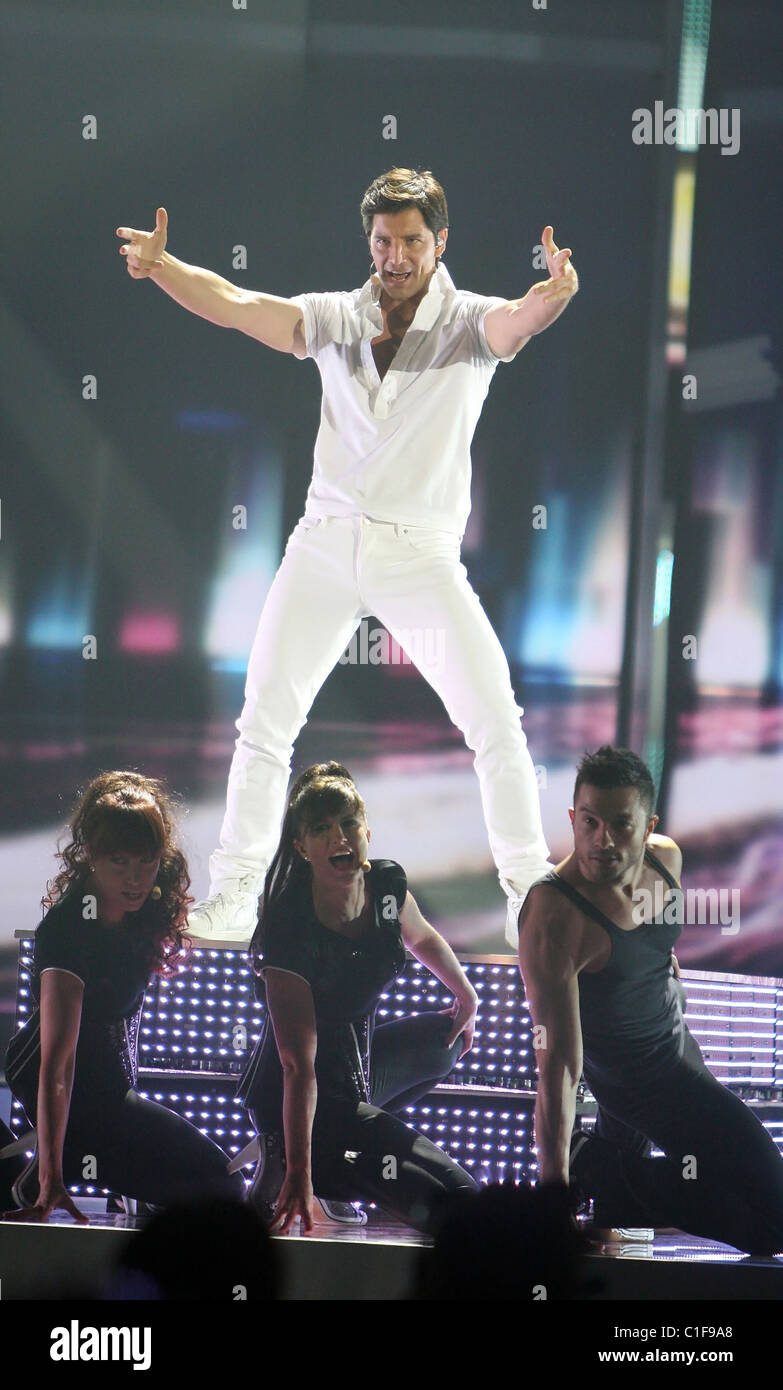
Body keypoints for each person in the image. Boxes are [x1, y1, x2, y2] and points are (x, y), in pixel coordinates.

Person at [116, 167, 579, 943]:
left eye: (409, 241)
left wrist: (550, 295)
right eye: (381, 241)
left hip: (419, 554)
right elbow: (237, 307)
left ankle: (528, 895)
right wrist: (163, 267)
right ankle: (235, 897)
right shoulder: (336, 315)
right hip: (324, 544)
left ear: (439, 242)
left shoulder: (468, 321)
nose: (394, 255)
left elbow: (517, 322)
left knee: (495, 722)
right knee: (263, 723)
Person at [517, 745, 783, 1255]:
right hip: (644, 1084)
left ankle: (612, 1171)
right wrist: (551, 1203)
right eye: (590, 822)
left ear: (648, 825)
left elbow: (652, 942)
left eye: (621, 825)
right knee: (775, 1221)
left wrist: (661, 968)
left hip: (680, 1049)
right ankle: (607, 1177)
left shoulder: (665, 860)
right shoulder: (555, 917)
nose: (603, 841)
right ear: (573, 818)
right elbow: (559, 1070)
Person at [236, 761, 480, 1234]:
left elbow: (421, 936)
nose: (339, 838)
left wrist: (466, 997)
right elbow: (295, 1066)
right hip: (304, 1098)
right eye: (322, 829)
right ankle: (297, 1158)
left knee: (444, 1040)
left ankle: (359, 1152)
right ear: (301, 847)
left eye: (349, 824)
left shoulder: (386, 887)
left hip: (357, 1080)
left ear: (367, 829)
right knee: (459, 1200)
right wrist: (301, 1175)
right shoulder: (290, 927)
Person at [2, 771, 244, 1222]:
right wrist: (55, 1178)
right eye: (119, 862)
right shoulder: (70, 929)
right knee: (216, 1192)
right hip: (56, 1078)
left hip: (111, 1089)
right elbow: (58, 1060)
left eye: (146, 861)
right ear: (91, 855)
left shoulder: (147, 905)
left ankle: (79, 1158)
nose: (134, 877)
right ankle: (57, 1165)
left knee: (225, 1183)